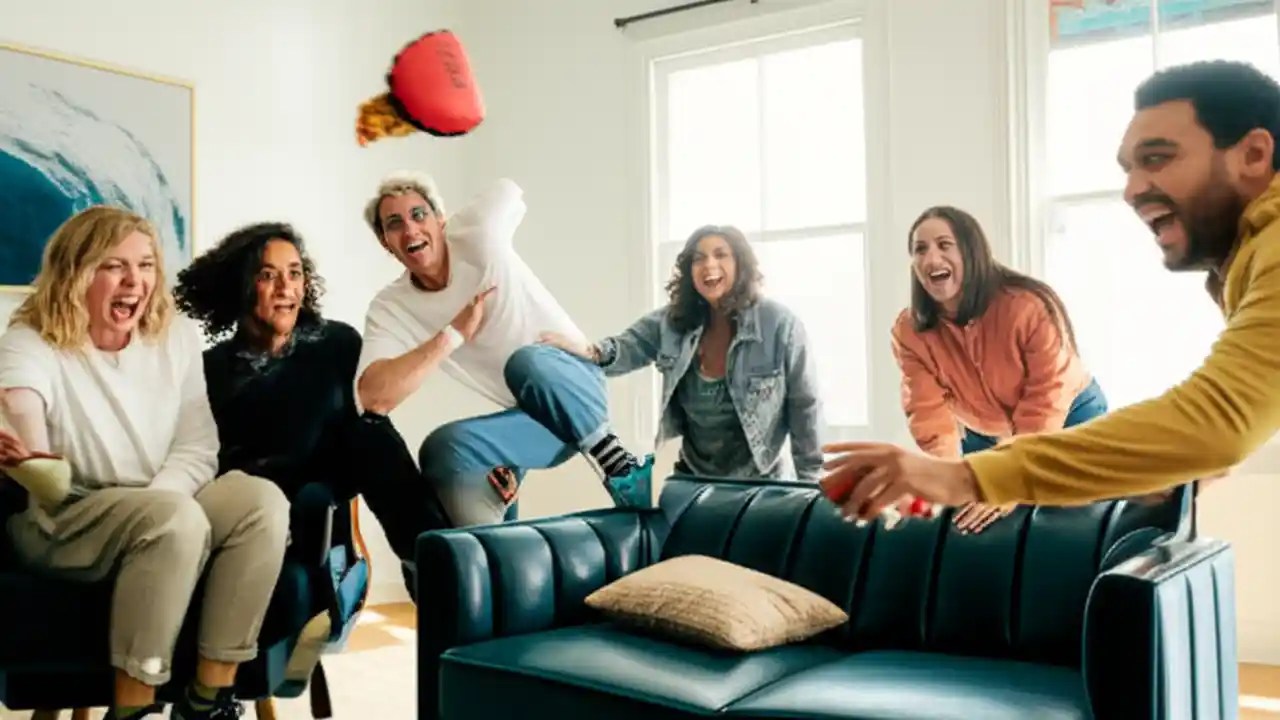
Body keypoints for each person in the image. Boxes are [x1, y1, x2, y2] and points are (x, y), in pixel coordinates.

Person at [821, 60, 1280, 521]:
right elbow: (1238, 412)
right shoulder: (910, 328)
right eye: (1128, 169)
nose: (1132, 190)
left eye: (1157, 158)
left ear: (1254, 155)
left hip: (1062, 413)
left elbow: (1217, 421)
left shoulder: (1024, 306)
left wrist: (963, 478)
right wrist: (937, 472)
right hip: (996, 433)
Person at [0, 206, 289, 720]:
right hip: (67, 517)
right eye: (114, 266)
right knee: (173, 521)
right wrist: (34, 457)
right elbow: (25, 415)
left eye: (146, 265)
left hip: (165, 502)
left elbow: (197, 446)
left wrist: (160, 510)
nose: (135, 281)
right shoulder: (30, 339)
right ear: (75, 272)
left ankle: (206, 701)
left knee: (260, 502)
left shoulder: (175, 337)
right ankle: (131, 710)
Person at [354, 171, 651, 527]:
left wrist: (458, 226)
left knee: (526, 362)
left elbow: (509, 189)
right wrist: (453, 334)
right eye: (394, 224)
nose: (410, 230)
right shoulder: (391, 306)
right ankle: (495, 551)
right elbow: (373, 396)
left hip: (578, 391)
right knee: (442, 447)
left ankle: (618, 464)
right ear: (385, 242)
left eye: (419, 215)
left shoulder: (477, 235)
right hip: (535, 425)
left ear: (440, 219)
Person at [172, 221, 451, 598]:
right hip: (264, 502)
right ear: (239, 285)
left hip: (328, 485)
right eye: (267, 276)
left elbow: (373, 439)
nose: (286, 288)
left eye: (294, 273)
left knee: (371, 434)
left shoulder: (337, 342)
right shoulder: (209, 372)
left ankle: (436, 567)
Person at [540, 225, 824, 481]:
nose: (708, 264)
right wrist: (587, 350)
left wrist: (812, 485)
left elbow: (805, 407)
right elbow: (626, 347)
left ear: (740, 264)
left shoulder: (779, 325)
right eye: (698, 258)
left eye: (720, 254)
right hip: (692, 483)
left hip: (763, 486)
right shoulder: (671, 323)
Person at [892, 206, 1107, 533]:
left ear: (971, 251)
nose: (931, 258)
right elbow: (927, 412)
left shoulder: (1027, 306)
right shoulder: (909, 330)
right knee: (976, 521)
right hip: (986, 432)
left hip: (1068, 416)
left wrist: (1010, 479)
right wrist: (946, 479)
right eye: (920, 249)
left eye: (944, 245)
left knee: (1069, 526)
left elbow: (1046, 400)